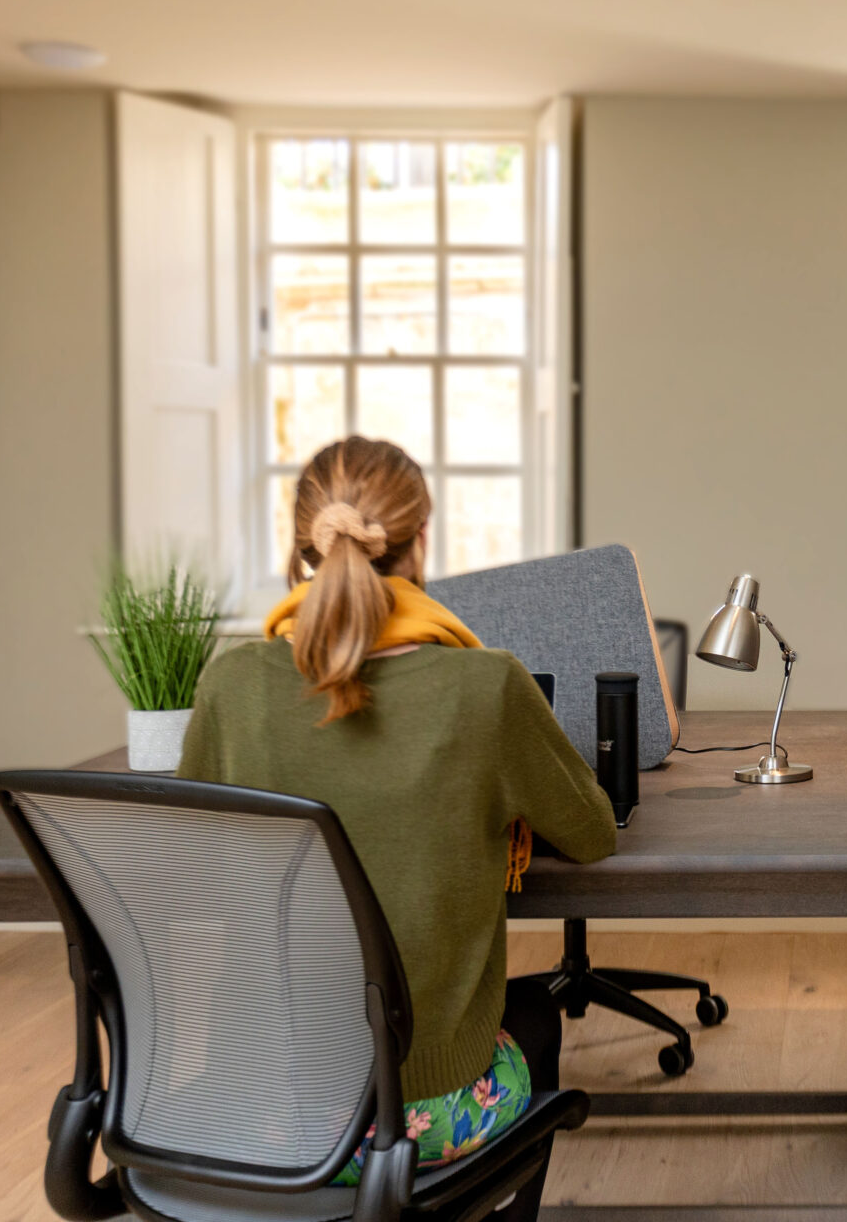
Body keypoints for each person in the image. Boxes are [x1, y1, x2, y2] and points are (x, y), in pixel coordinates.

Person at [177, 436, 616, 1185]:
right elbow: (592, 832)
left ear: (303, 547)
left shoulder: (232, 684)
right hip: (417, 1115)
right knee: (538, 1015)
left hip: (258, 1105)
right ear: (416, 548)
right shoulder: (484, 687)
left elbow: (195, 865)